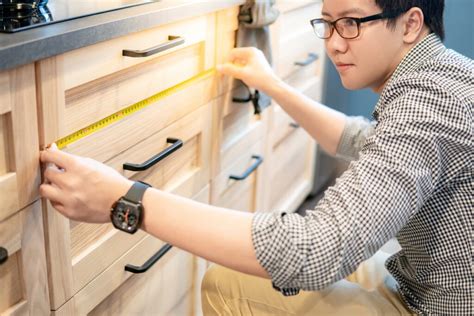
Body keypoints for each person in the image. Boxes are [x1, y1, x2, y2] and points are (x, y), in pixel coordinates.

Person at [40, 0, 473, 315]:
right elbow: (362, 139)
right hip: (418, 278)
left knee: (226, 286)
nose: (334, 44)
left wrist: (126, 199)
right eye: (326, 24)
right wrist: (274, 84)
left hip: (436, 305)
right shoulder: (443, 74)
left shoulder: (428, 100)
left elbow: (316, 251)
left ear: (411, 23)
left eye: (351, 24)